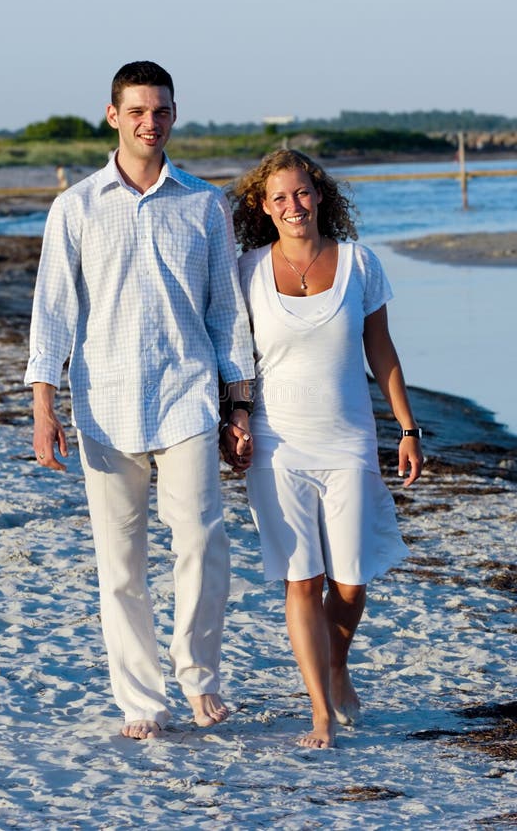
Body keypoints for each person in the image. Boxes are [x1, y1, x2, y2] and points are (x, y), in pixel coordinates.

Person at [24, 61, 255, 740]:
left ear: (173, 115)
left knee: (202, 544)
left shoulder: (205, 205)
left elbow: (226, 316)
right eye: (137, 111)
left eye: (160, 111)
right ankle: (140, 702)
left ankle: (198, 676)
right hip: (104, 406)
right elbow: (53, 314)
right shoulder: (76, 207)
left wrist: (239, 406)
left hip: (188, 398)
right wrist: (43, 407)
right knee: (119, 566)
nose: (149, 122)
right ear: (113, 115)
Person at [230, 149, 423, 749]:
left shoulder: (360, 264)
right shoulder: (246, 271)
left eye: (302, 193)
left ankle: (338, 667)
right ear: (263, 207)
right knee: (300, 580)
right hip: (276, 444)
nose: (294, 206)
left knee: (350, 582)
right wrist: (233, 420)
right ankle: (318, 708)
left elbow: (381, 351)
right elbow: (236, 359)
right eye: (280, 198)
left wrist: (408, 428)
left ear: (320, 194)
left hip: (349, 441)